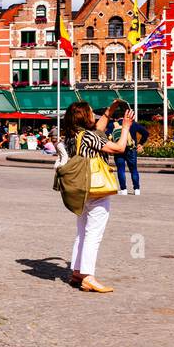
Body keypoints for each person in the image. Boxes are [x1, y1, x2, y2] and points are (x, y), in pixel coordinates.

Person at [62, 100, 133, 293]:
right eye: (92, 112)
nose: (94, 115)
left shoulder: (72, 136)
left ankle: (77, 272)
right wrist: (125, 128)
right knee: (94, 234)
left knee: (82, 232)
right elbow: (119, 148)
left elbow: (99, 129)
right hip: (97, 189)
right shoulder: (88, 136)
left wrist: (110, 110)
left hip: (81, 189)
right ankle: (88, 276)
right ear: (85, 116)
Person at [106, 101, 148, 196]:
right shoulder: (132, 123)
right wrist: (140, 143)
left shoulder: (112, 125)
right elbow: (145, 133)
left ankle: (123, 189)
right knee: (134, 169)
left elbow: (106, 136)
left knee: (121, 169)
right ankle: (137, 189)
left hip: (118, 149)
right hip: (131, 149)